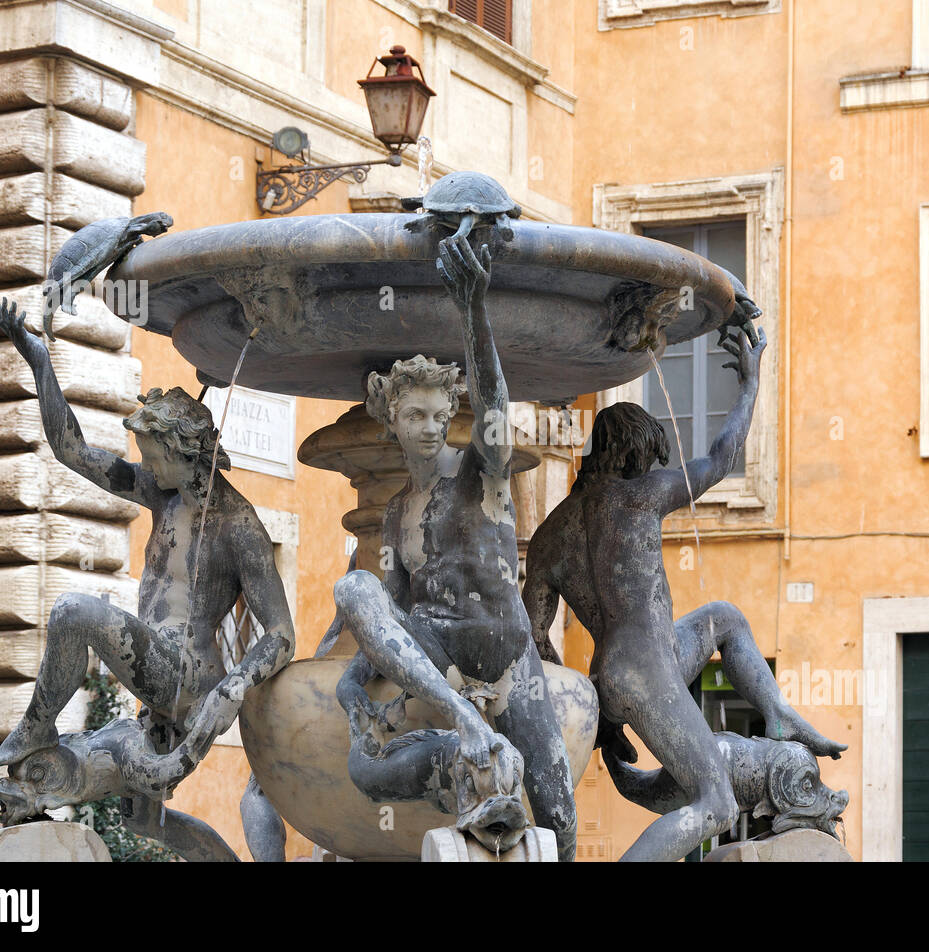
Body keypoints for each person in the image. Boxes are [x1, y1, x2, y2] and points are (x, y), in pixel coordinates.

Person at [522, 295, 846, 862]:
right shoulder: (640, 497)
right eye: (649, 460)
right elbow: (723, 457)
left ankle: (775, 712)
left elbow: (534, 632)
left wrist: (591, 705)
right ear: (632, 458)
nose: (653, 470)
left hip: (620, 669)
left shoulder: (551, 534)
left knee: (725, 618)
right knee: (716, 802)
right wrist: (749, 383)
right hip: (650, 669)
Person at [0, 298, 295, 851]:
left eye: (154, 455)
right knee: (144, 820)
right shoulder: (162, 492)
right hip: (154, 684)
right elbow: (71, 449)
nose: (145, 467)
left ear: (188, 453)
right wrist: (39, 362)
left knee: (75, 612)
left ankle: (35, 725)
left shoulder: (238, 525)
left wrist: (232, 688)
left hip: (189, 677)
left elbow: (281, 634)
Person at [332, 233, 578, 861]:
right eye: (414, 416)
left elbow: (495, 408)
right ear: (390, 419)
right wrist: (353, 681)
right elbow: (386, 610)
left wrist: (474, 310)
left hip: (509, 660)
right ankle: (463, 730)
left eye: (440, 416)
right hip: (439, 659)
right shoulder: (395, 514)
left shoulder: (478, 474)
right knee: (355, 587)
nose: (430, 428)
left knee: (558, 816)